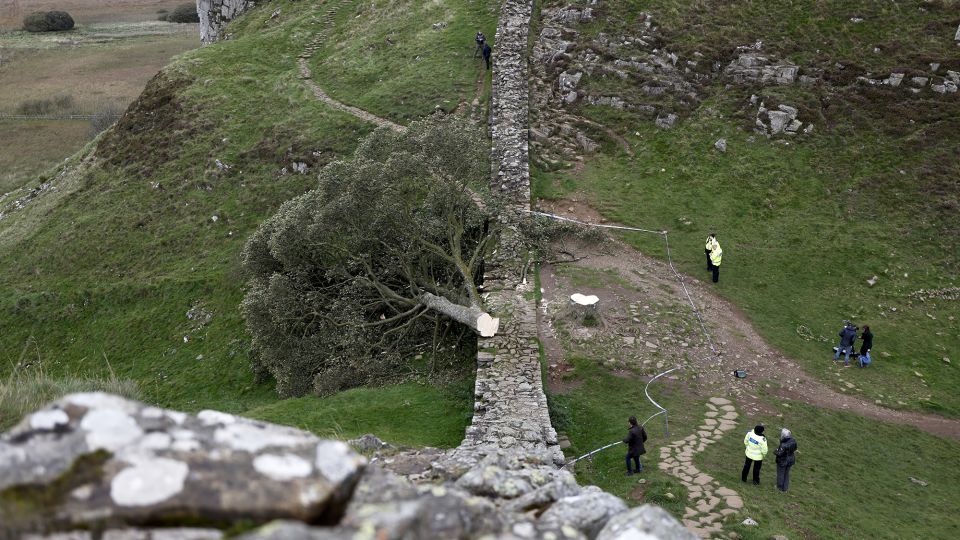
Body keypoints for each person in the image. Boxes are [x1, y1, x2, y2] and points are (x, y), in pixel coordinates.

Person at [774, 428, 797, 492]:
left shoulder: (783, 445)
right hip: (791, 459)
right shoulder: (793, 441)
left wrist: (775, 451)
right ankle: (785, 488)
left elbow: (779, 453)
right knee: (786, 474)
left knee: (780, 474)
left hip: (783, 460)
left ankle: (779, 487)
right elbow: (795, 448)